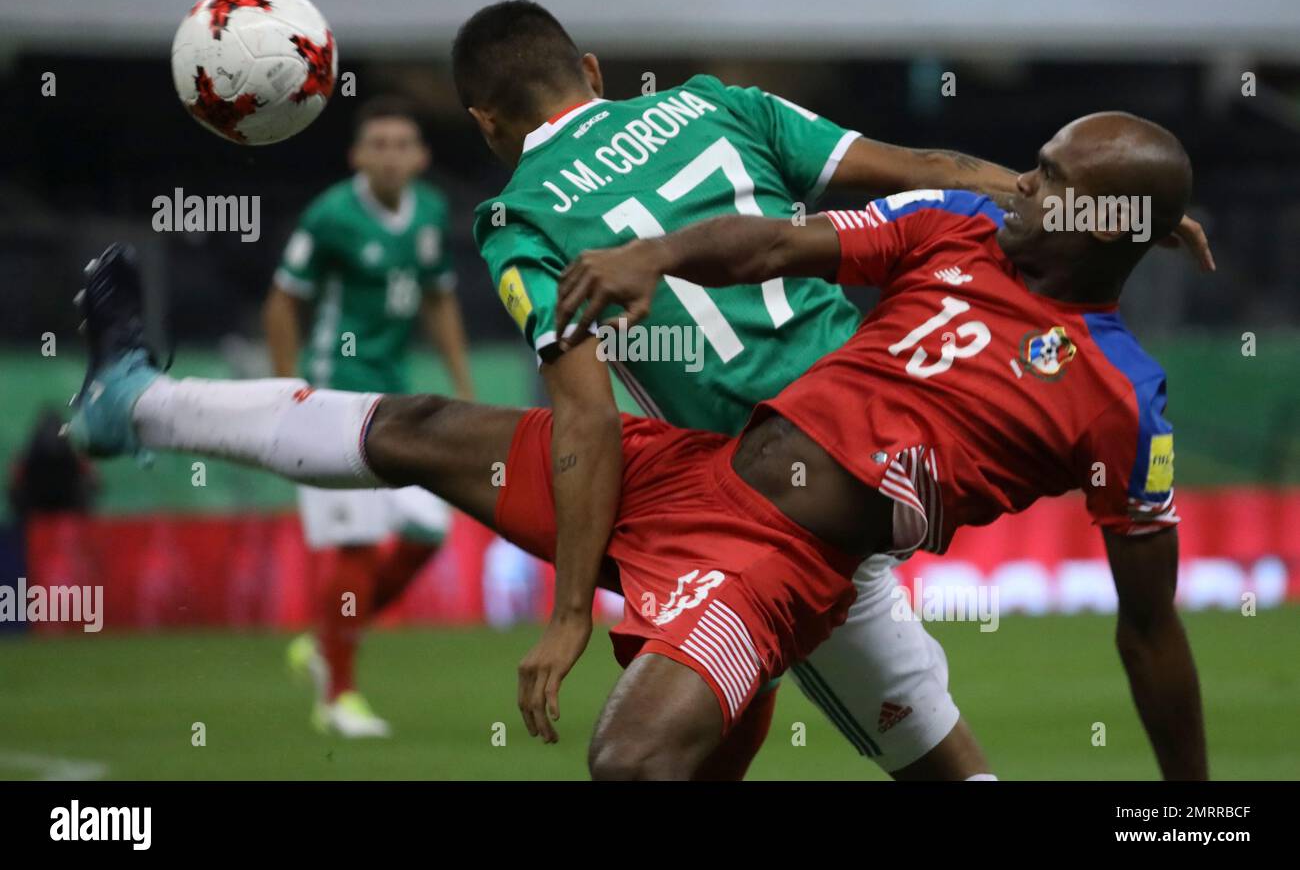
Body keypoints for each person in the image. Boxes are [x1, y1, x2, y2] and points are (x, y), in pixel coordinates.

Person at [68, 110, 1206, 780]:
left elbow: (1149, 625)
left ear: (1112, 224)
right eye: (1039, 162)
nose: (1027, 178)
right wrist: (657, 253)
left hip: (784, 567)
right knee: (414, 428)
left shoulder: (1120, 397)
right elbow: (772, 241)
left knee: (635, 760)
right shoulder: (954, 227)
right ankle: (134, 400)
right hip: (691, 471)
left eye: (1055, 178)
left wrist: (1189, 801)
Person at [261, 96, 475, 737]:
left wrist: (462, 384)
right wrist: (287, 389)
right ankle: (338, 698)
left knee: (427, 531)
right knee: (356, 543)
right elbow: (281, 302)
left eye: (400, 143)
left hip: (392, 398)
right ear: (357, 155)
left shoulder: (431, 213)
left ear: (420, 157)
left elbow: (439, 300)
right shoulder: (331, 215)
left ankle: (327, 644)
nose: (388, 153)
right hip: (331, 397)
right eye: (376, 143)